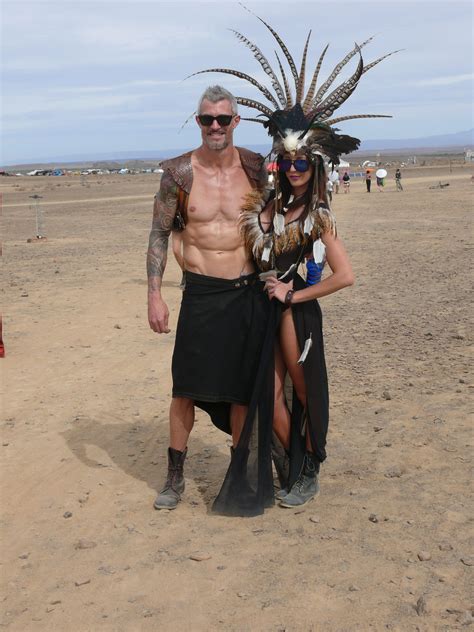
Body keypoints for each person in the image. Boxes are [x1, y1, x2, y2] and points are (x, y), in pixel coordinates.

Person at [189, 7, 395, 515]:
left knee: (304, 393)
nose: (294, 168)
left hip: (294, 311)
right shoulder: (267, 206)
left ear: (316, 164)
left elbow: (345, 276)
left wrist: (292, 293)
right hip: (262, 310)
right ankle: (292, 464)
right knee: (271, 395)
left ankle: (310, 468)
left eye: (304, 160)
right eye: (286, 159)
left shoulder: (320, 216)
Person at [147, 85, 267, 511]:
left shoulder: (255, 168)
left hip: (246, 292)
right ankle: (175, 477)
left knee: (239, 391)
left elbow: (281, 216)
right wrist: (154, 295)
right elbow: (160, 233)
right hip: (200, 293)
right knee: (185, 389)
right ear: (197, 121)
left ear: (236, 121)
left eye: (222, 118)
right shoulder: (179, 173)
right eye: (205, 119)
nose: (214, 126)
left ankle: (238, 474)